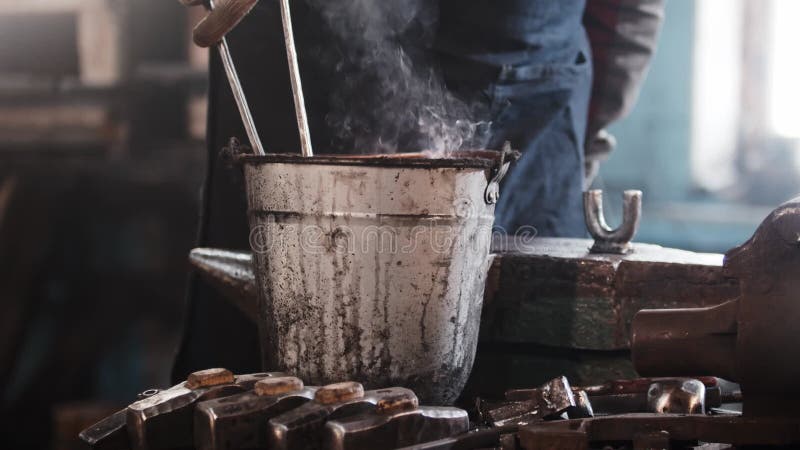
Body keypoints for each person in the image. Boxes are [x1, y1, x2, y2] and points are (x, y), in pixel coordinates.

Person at [173, 0, 665, 382]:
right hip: (283, 92)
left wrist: (584, 139)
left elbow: (623, 16)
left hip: (522, 128)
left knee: (525, 394)